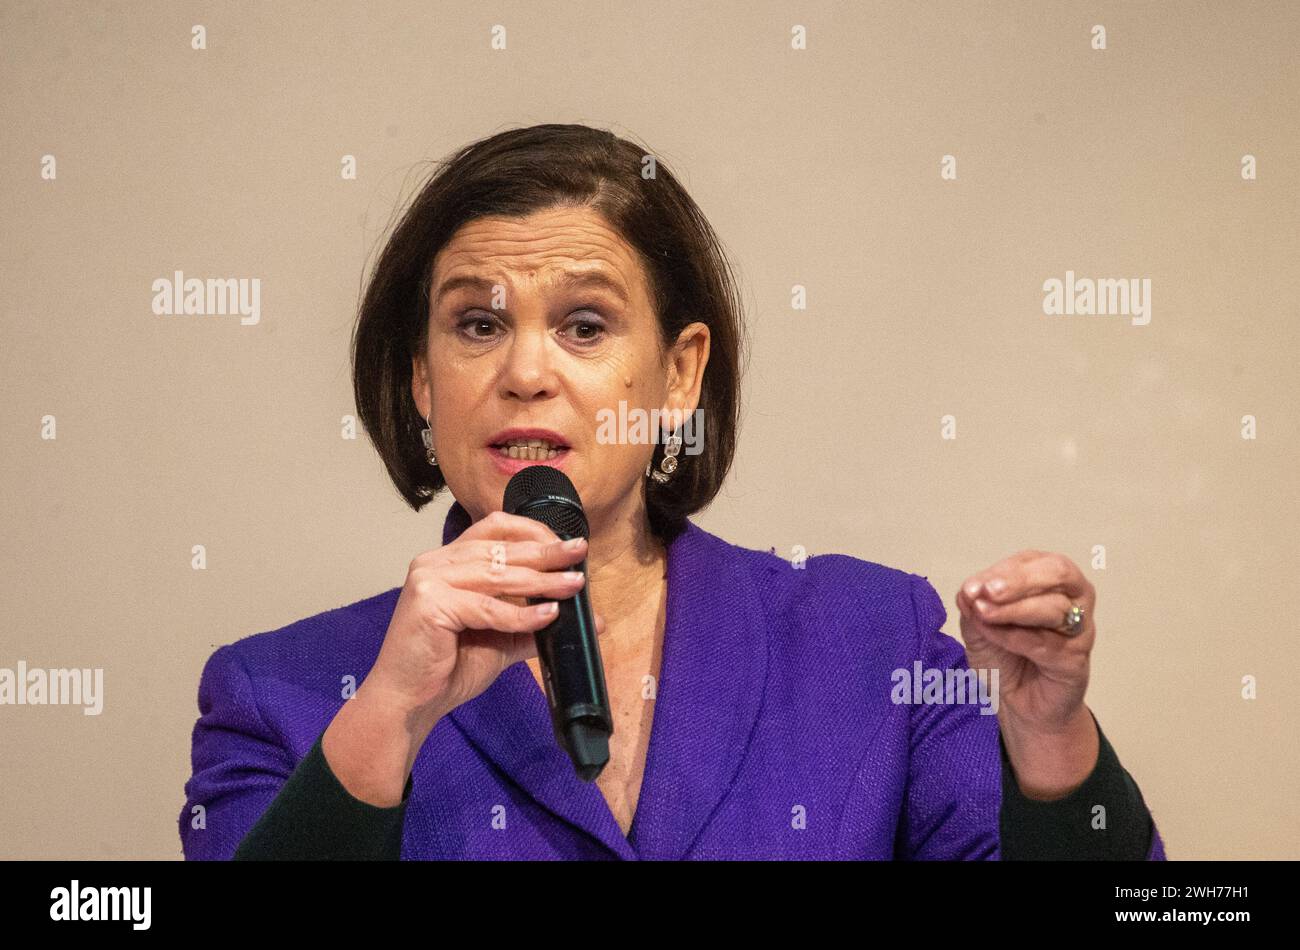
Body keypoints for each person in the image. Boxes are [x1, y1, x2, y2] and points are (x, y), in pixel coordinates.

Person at [179, 124, 1165, 860]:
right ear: (421, 380)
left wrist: (1049, 747)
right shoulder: (279, 691)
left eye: (584, 324)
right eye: (476, 326)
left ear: (679, 375)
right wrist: (388, 716)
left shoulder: (870, 640)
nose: (525, 370)